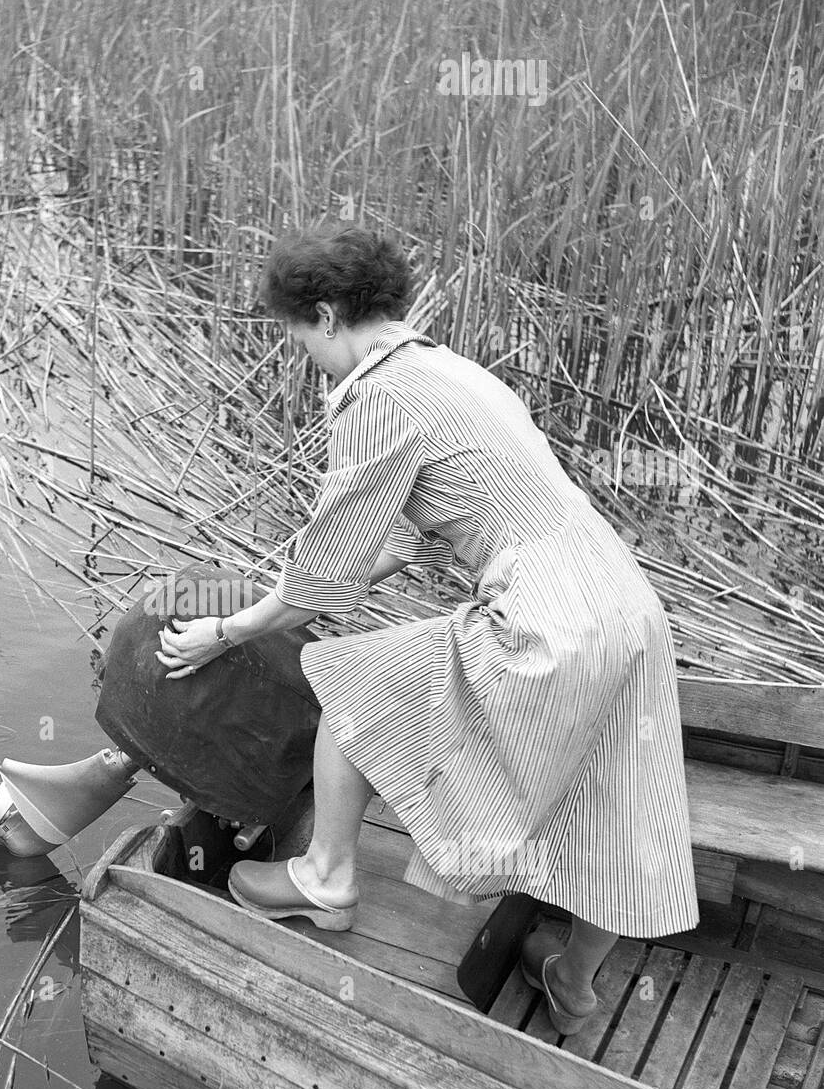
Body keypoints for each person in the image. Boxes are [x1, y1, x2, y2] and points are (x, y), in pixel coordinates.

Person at [155, 222, 698, 1035]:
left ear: (329, 315)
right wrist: (317, 580)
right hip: (623, 603)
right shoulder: (451, 372)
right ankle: (573, 979)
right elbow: (406, 532)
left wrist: (227, 632)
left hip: (549, 619)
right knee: (614, 796)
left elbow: (321, 576)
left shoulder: (376, 396)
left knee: (347, 687)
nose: (305, 353)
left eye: (299, 333)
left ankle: (327, 877)